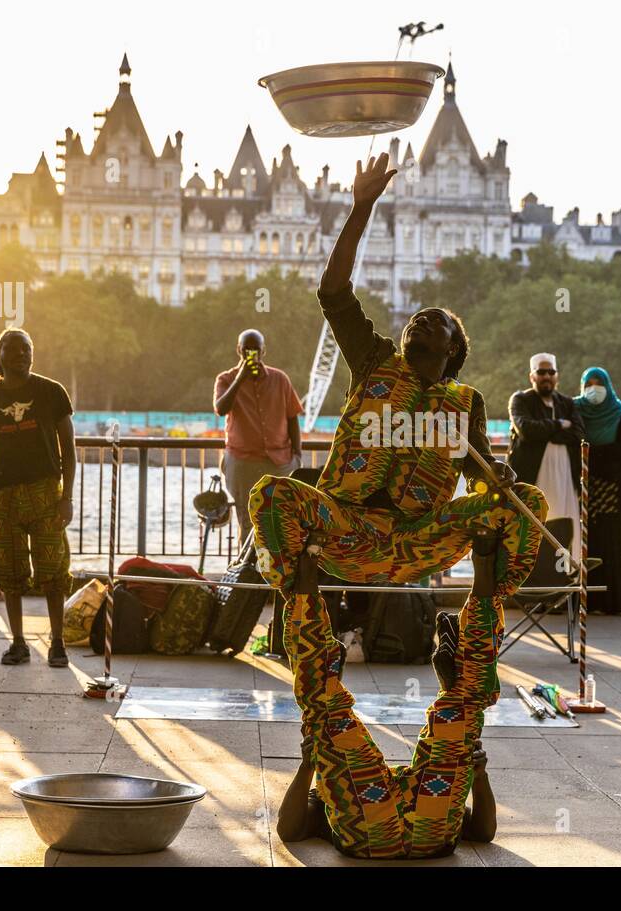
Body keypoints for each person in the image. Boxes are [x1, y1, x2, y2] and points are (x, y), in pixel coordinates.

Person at [255, 152, 546, 859]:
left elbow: (485, 483)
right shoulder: (372, 357)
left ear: (453, 351)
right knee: (271, 494)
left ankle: (483, 612)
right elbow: (333, 291)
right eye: (418, 320)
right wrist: (360, 208)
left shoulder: (464, 403)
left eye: (436, 325)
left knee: (525, 501)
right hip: (350, 529)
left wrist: (499, 482)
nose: (421, 325)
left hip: (417, 540)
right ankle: (300, 593)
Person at [0, 328, 76, 668]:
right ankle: (19, 642)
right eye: (13, 349)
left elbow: (68, 450)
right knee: (9, 572)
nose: (21, 354)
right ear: (0, 356)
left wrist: (66, 497)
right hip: (1, 496)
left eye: (26, 348)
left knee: (54, 569)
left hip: (45, 493)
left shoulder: (52, 393)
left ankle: (57, 642)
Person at [213, 328, 304, 546]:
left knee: (280, 520)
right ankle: (248, 572)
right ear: (239, 350)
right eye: (247, 349)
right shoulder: (226, 379)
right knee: (248, 521)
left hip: (280, 463)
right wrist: (241, 378)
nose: (251, 353)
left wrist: (298, 456)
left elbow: (293, 418)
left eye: (255, 349)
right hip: (243, 462)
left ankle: (276, 573)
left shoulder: (280, 379)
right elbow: (221, 408)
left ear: (263, 351)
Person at [508, 353, 584, 557]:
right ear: (532, 376)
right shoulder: (521, 400)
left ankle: (565, 574)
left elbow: (577, 433)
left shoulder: (567, 404)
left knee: (565, 526)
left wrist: (546, 433)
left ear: (557, 376)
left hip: (565, 479)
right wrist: (559, 425)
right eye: (541, 372)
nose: (546, 376)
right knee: (531, 528)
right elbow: (527, 430)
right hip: (532, 478)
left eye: (551, 372)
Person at [575, 366, 621, 614]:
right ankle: (585, 601)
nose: (594, 388)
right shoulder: (576, 410)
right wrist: (595, 457)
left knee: (614, 544)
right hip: (582, 490)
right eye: (589, 383)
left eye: (599, 382)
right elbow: (573, 446)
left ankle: (614, 601)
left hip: (615, 492)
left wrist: (591, 457)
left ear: (608, 385)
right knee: (586, 544)